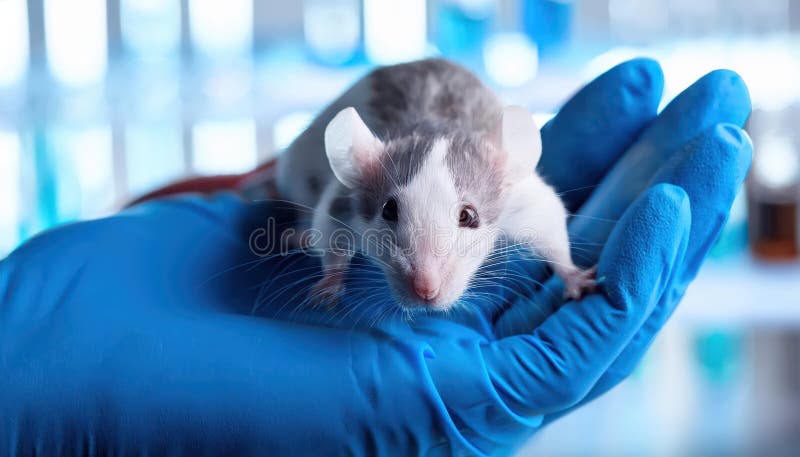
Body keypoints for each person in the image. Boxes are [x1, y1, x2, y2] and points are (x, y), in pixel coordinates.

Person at [0, 59, 751, 456]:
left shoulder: (506, 181)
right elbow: (332, 202)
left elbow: (543, 212)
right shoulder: (361, 180)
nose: (425, 284)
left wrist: (565, 267)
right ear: (370, 183)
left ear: (497, 186)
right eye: (390, 214)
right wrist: (332, 264)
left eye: (466, 220)